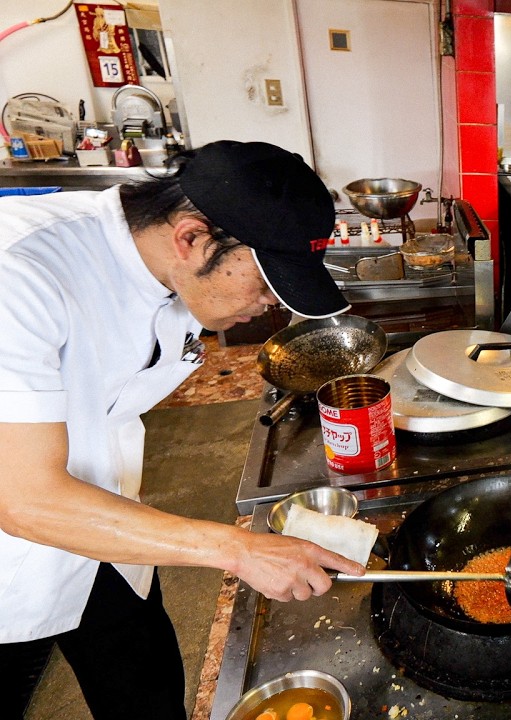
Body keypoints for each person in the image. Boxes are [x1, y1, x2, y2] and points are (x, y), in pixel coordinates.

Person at [0, 140, 367, 718]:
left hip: (106, 520)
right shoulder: (18, 271)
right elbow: (23, 499)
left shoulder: (166, 270)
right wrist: (239, 549)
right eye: (265, 281)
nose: (271, 305)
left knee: (147, 691)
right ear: (192, 238)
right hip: (18, 539)